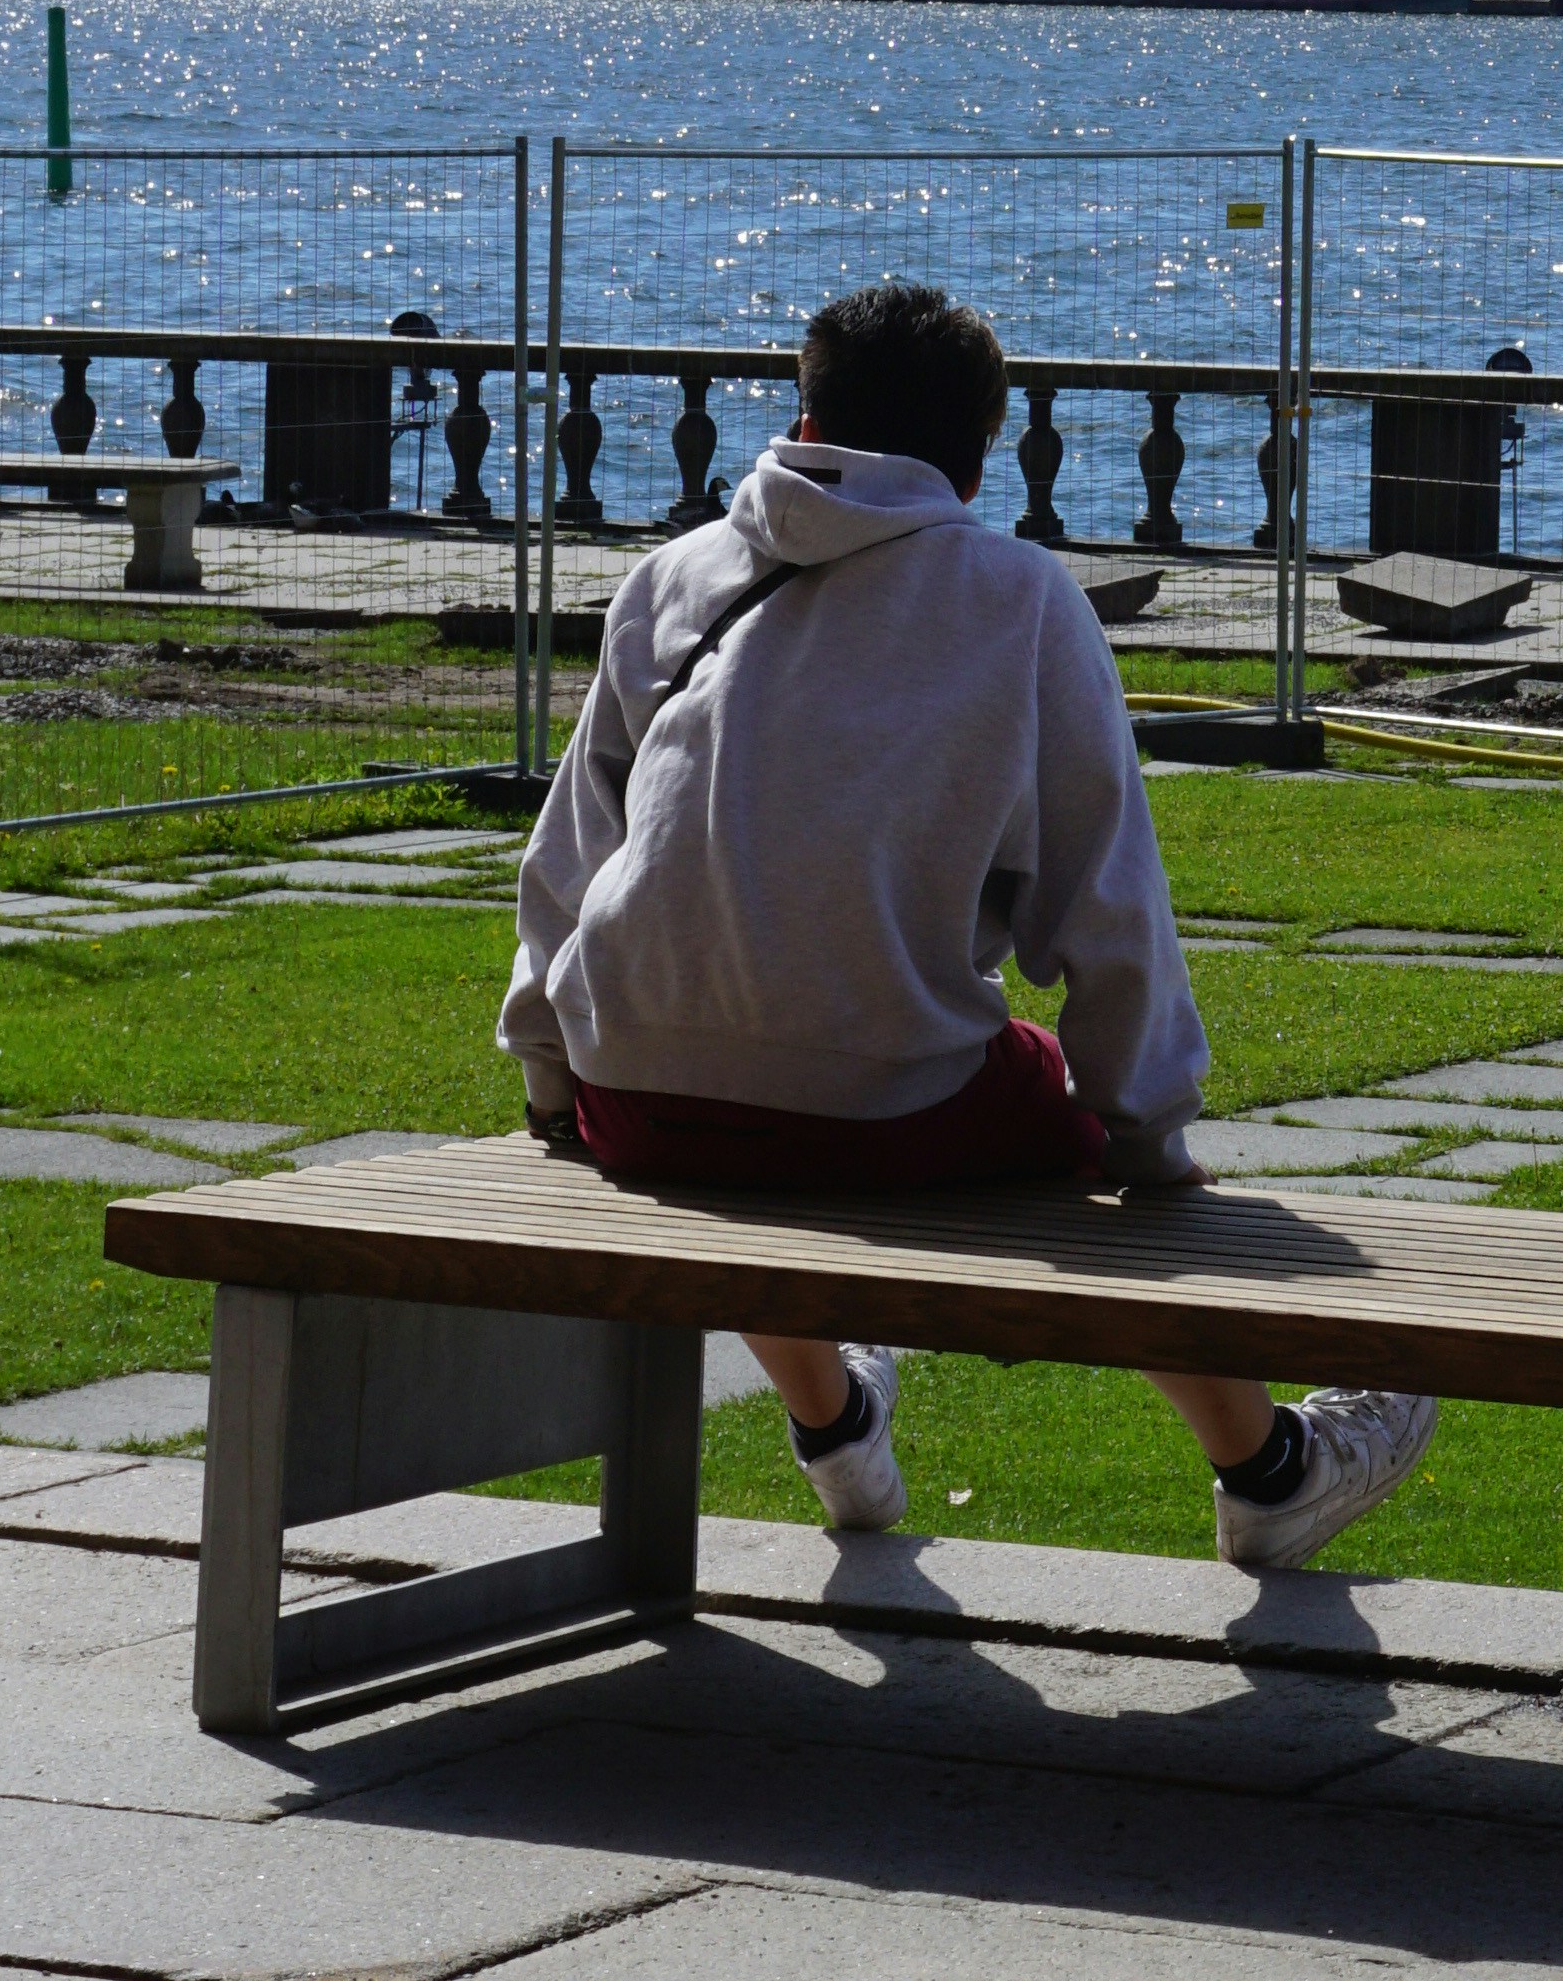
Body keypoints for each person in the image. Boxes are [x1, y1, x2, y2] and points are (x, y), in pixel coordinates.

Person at [499, 269, 1431, 1571]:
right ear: (979, 460)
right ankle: (1268, 1469)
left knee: (752, 1094)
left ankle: (837, 1429)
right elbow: (1104, 904)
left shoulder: (675, 579)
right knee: (1050, 1134)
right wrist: (1147, 1141)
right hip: (882, 1111)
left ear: (805, 419)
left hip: (636, 1091)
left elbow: (569, 866)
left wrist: (551, 1084)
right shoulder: (1017, 599)